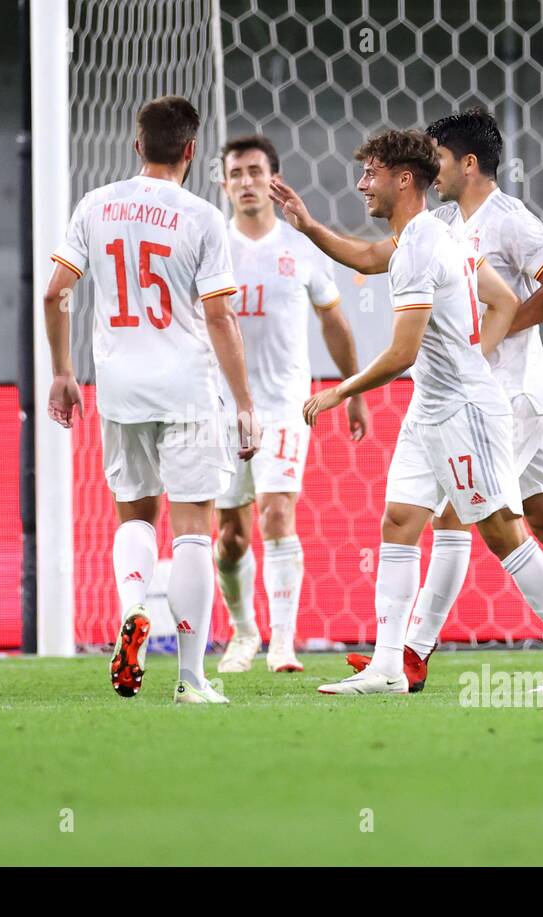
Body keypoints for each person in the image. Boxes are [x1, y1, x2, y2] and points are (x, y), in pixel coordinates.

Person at [300, 129, 543, 695]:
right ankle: (390, 666)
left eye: (371, 173)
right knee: (399, 520)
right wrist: (308, 226)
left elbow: (402, 353)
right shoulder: (433, 233)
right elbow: (502, 300)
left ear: (403, 179)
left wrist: (338, 391)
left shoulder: (424, 244)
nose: (361, 184)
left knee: (503, 533)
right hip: (432, 405)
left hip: (464, 411)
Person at [44, 96, 260, 704]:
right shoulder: (202, 217)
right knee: (193, 531)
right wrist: (243, 402)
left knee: (135, 517)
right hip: (188, 390)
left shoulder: (95, 205)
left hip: (119, 389)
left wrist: (63, 372)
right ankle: (192, 678)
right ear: (192, 151)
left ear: (137, 145)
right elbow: (219, 317)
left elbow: (54, 294)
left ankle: (135, 606)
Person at [212, 134, 371, 675]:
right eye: (235, 174)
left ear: (273, 179)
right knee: (230, 537)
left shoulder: (300, 245)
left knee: (278, 513)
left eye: (255, 172)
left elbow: (333, 318)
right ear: (223, 183)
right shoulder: (212, 245)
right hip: (223, 408)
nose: (246, 182)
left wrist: (350, 390)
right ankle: (242, 632)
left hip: (284, 404)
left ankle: (283, 642)